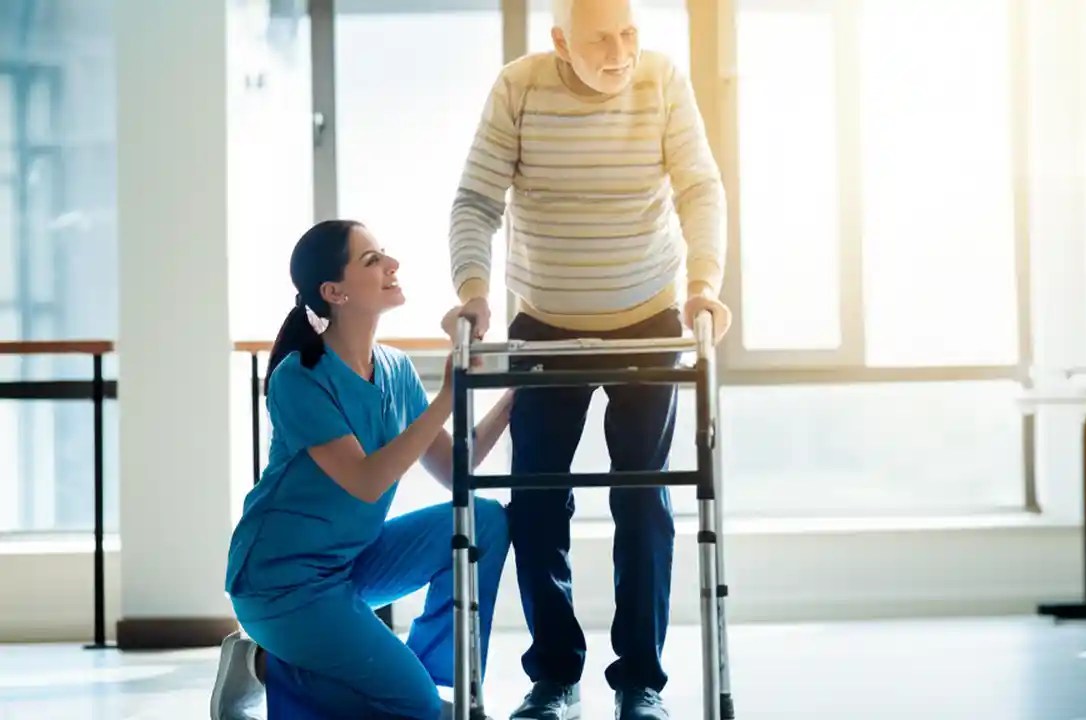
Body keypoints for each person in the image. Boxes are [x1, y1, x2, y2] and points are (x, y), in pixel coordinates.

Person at [443, 0, 731, 717]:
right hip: (544, 322)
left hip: (649, 318)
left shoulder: (662, 80)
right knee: (537, 498)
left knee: (643, 499)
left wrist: (703, 287)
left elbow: (700, 188)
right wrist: (473, 293)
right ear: (560, 42)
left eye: (629, 33)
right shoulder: (520, 86)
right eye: (601, 39)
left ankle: (640, 682)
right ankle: (555, 677)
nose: (621, 51)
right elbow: (477, 200)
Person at [211, 220, 513, 720]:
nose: (391, 266)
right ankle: (265, 665)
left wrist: (514, 397)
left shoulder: (394, 368)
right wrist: (447, 395)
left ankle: (425, 679)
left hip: (351, 563)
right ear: (334, 292)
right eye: (372, 261)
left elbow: (458, 466)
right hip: (283, 584)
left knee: (485, 519)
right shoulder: (299, 379)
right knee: (413, 708)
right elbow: (368, 481)